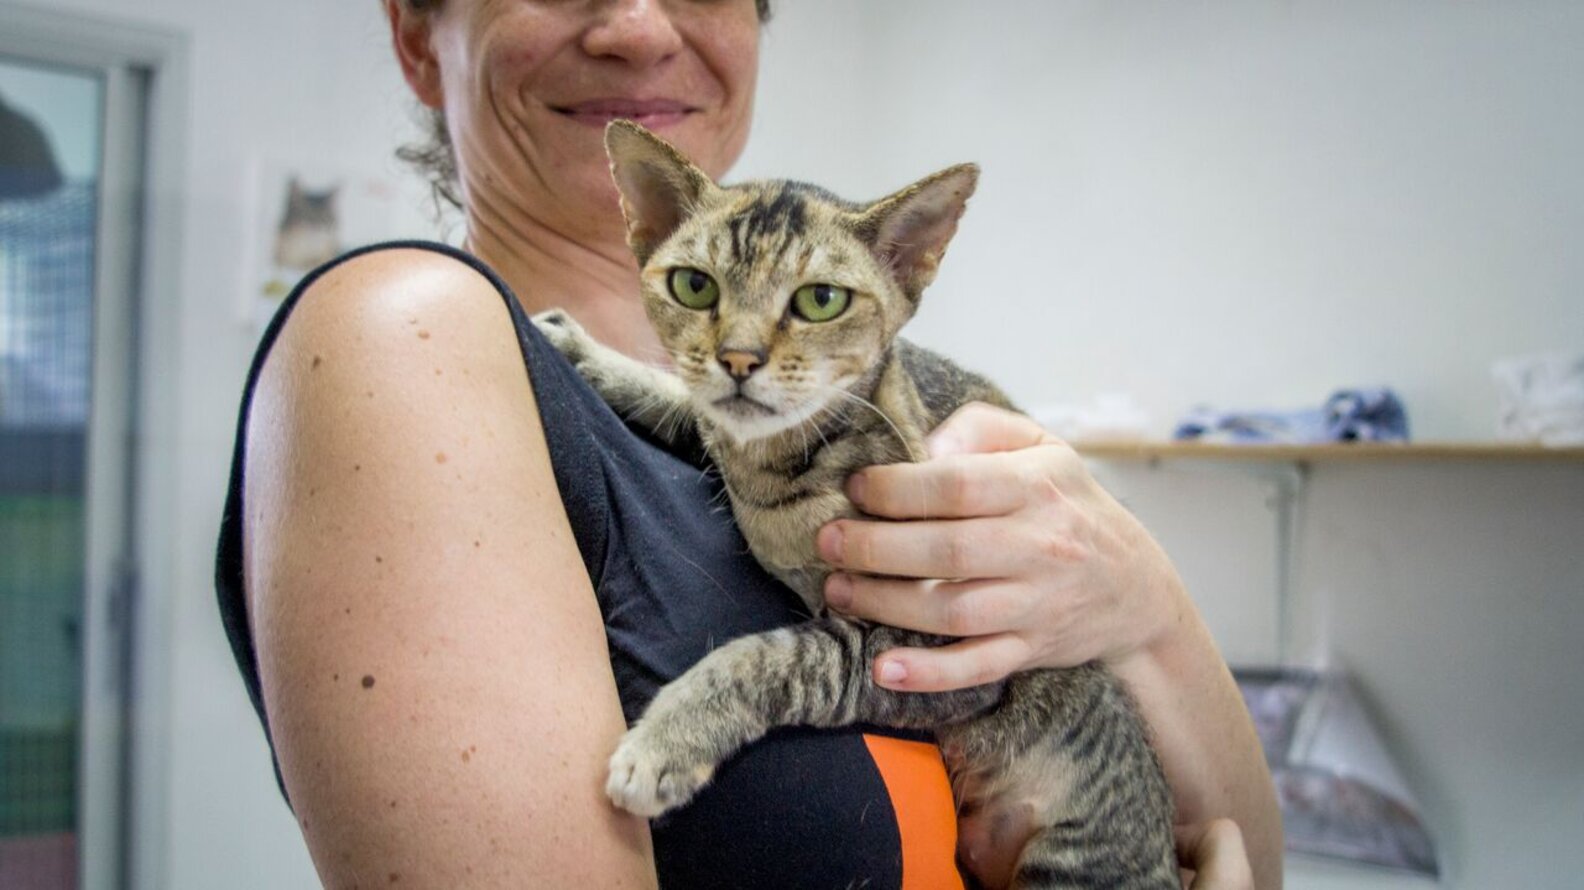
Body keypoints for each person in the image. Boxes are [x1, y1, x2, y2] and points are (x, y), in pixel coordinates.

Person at [215, 1, 1280, 887]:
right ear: (415, 32)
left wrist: (1142, 601)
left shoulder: (858, 400)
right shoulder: (410, 337)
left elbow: (1243, 860)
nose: (636, 25)